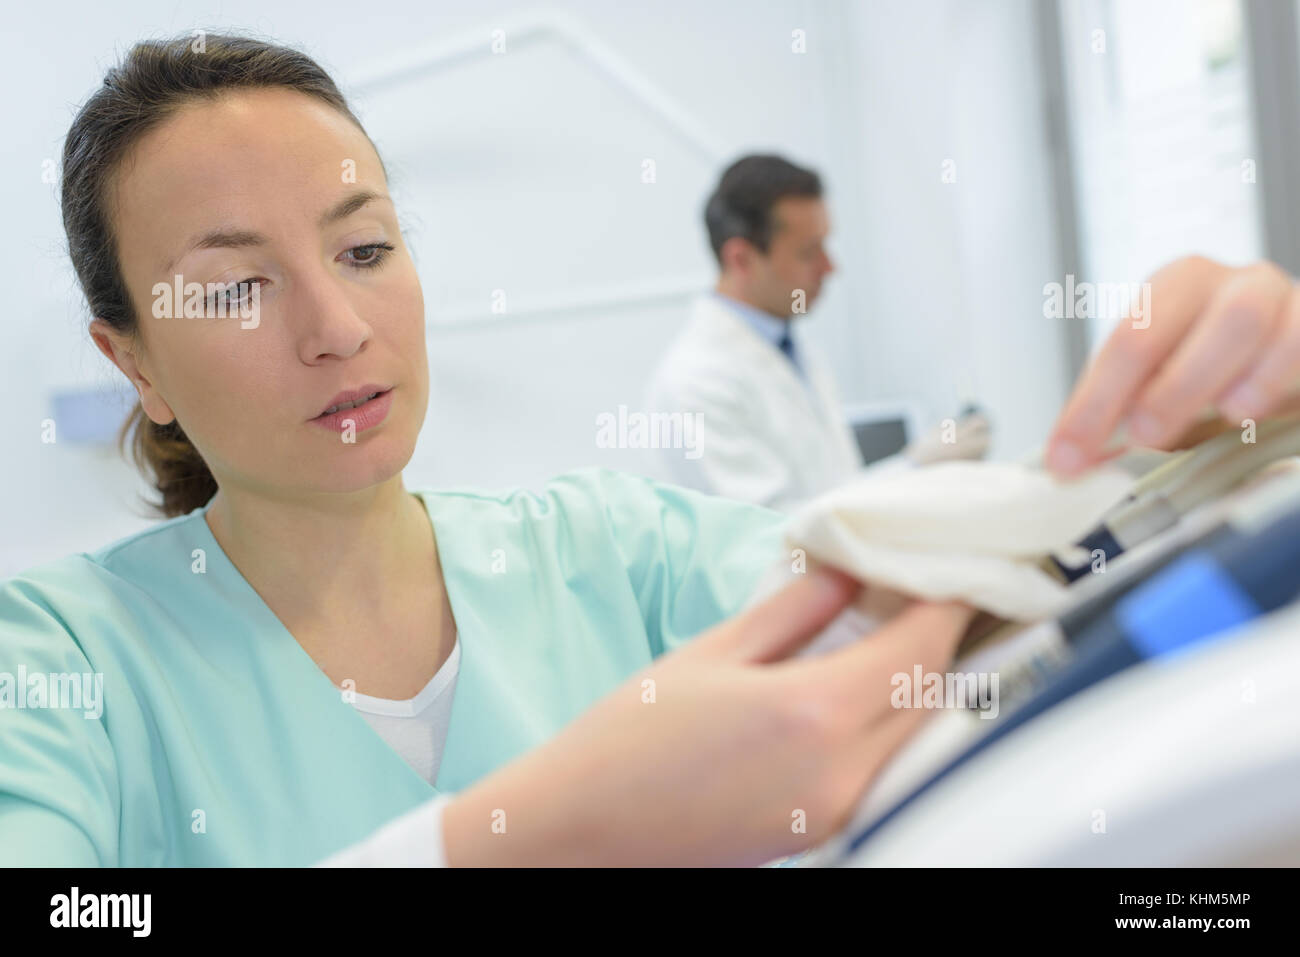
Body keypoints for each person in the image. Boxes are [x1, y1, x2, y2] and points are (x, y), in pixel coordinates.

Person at [2, 33, 1295, 868]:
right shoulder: (57, 661)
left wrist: (1173, 457)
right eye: (235, 289)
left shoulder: (610, 553)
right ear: (136, 362)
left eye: (363, 250)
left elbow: (961, 595)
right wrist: (526, 837)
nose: (337, 329)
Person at [643, 154, 989, 513]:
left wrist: (915, 472)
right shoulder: (696, 383)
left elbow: (836, 489)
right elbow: (771, 529)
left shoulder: (794, 348)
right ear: (741, 260)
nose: (830, 267)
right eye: (810, 252)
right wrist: (912, 471)